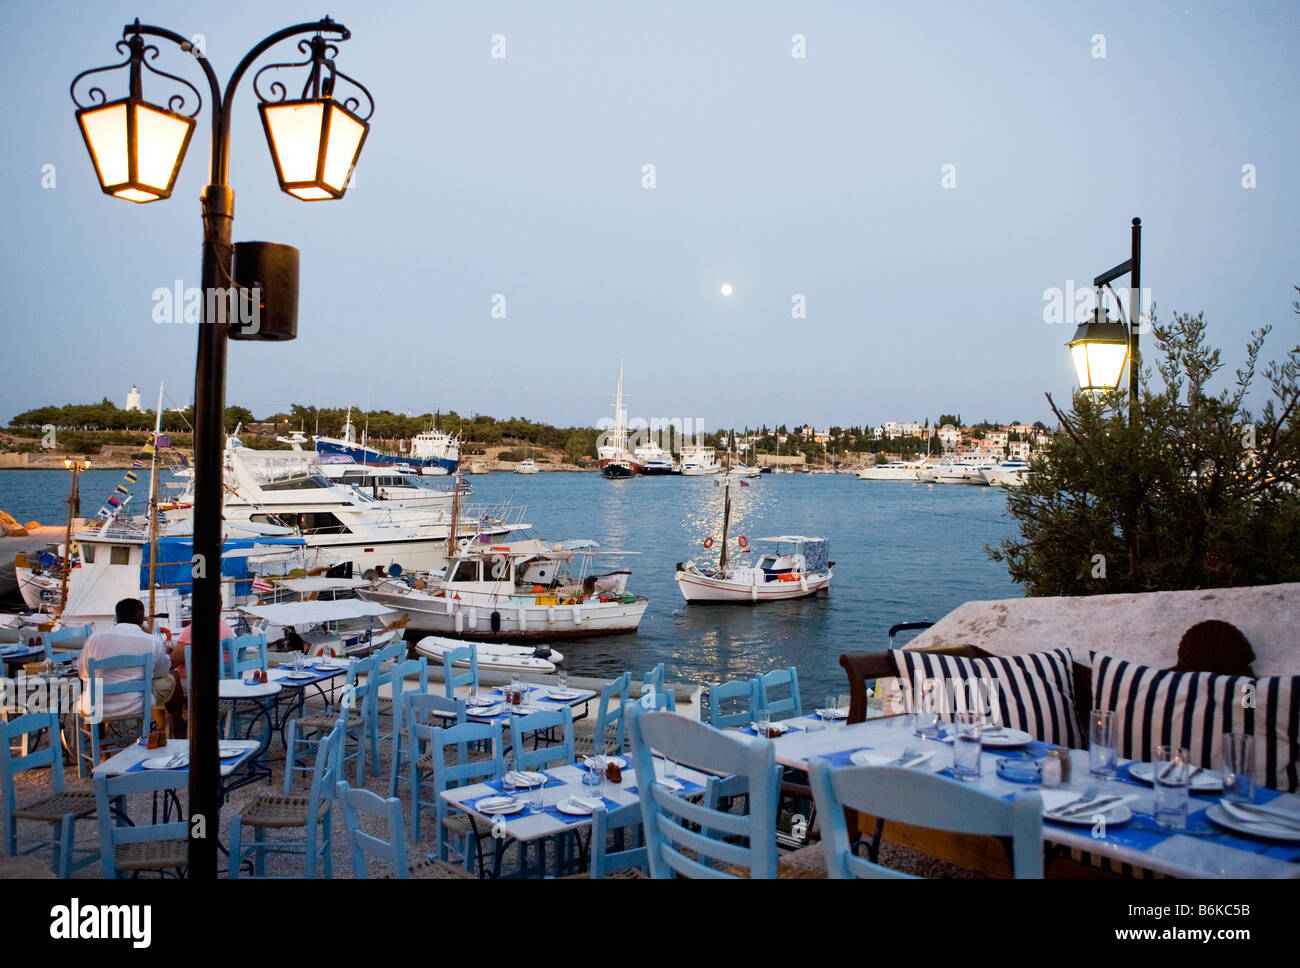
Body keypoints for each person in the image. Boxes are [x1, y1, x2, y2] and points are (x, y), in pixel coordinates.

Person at [79, 598, 176, 739]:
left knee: (93, 689)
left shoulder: (95, 639)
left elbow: (83, 673)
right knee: (172, 678)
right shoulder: (152, 640)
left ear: (117, 617)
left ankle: (98, 749)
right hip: (137, 704)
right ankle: (173, 729)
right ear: (142, 617)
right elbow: (162, 672)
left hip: (99, 706)